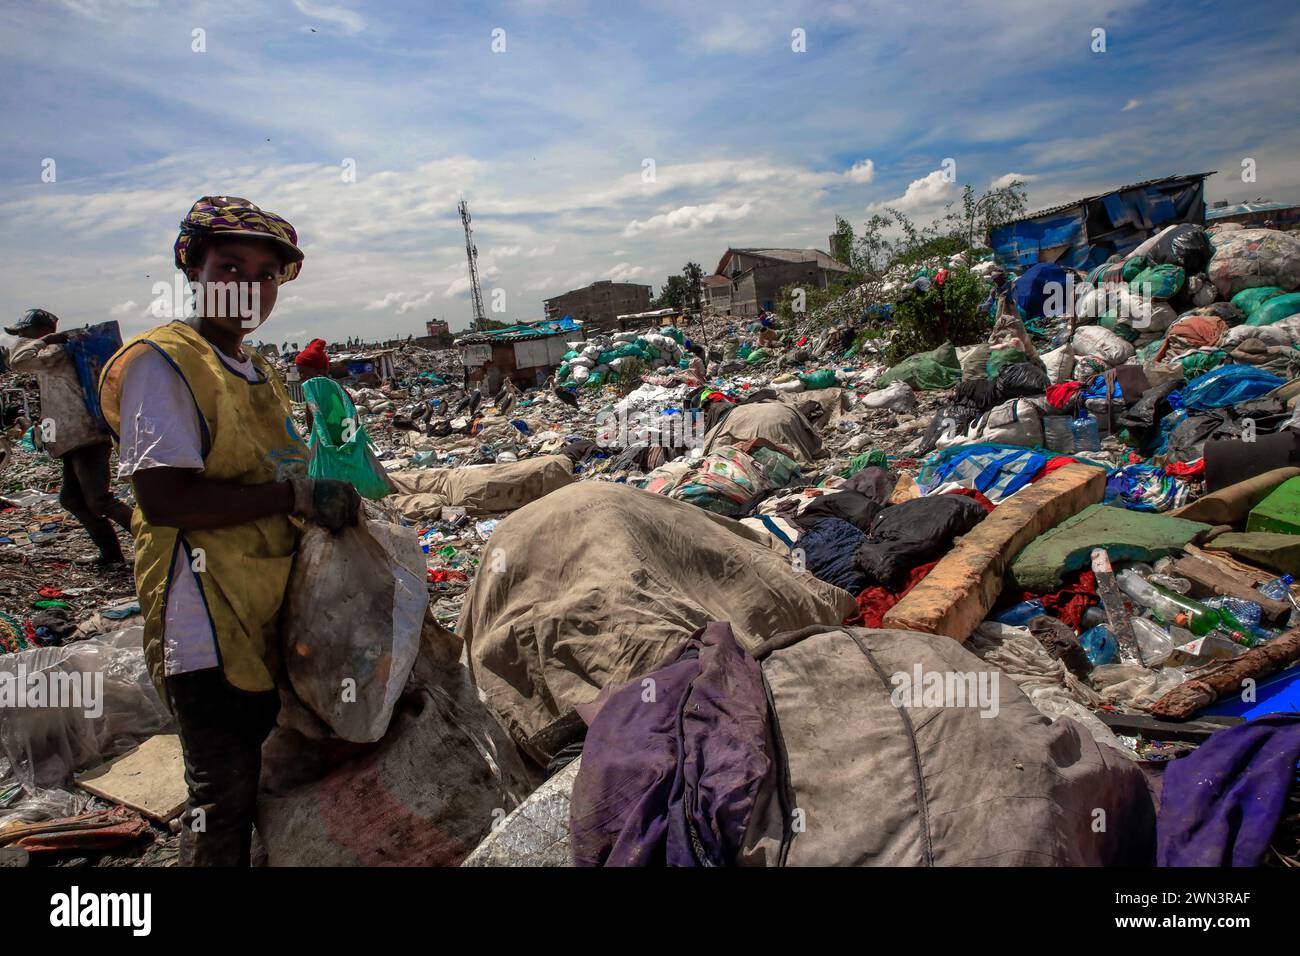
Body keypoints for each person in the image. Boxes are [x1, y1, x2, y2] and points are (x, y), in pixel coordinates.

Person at [98, 196, 360, 867]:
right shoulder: (164, 363)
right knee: (223, 798)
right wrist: (295, 495)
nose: (250, 285)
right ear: (195, 269)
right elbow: (165, 497)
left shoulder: (256, 370)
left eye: (266, 274)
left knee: (259, 772)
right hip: (203, 616)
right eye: (231, 266)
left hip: (260, 602)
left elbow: (282, 462)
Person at [7, 308, 134, 565]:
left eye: (24, 332)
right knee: (72, 499)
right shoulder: (52, 354)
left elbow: (17, 361)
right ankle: (111, 555)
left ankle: (161, 541)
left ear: (45, 331)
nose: (21, 338)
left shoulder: (57, 352)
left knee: (99, 499)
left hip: (85, 435)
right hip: (71, 437)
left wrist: (44, 342)